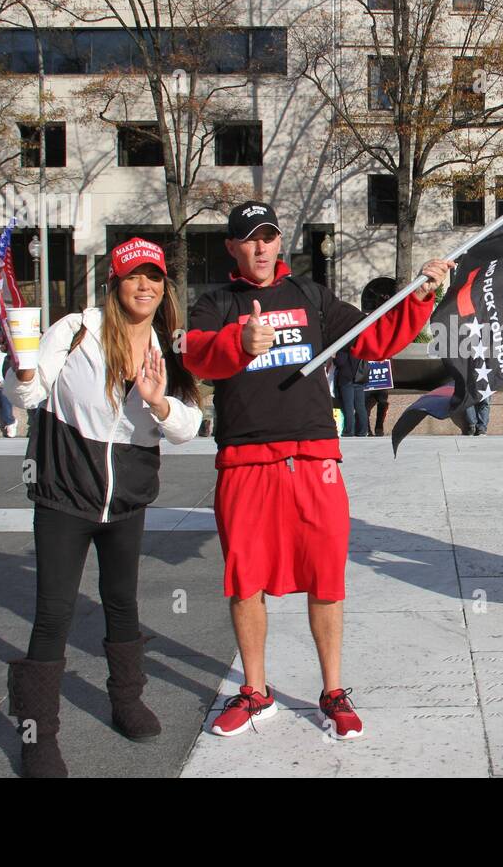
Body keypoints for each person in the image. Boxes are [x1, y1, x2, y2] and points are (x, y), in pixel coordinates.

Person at [182, 200, 452, 741]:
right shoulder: (215, 303)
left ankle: (332, 690)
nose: (260, 247)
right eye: (248, 239)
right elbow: (195, 357)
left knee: (326, 576)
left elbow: (374, 339)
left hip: (313, 457)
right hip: (245, 459)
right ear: (232, 247)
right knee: (245, 580)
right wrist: (238, 341)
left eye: (269, 236)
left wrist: (421, 295)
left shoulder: (311, 295)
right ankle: (256, 692)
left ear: (280, 241)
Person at [5, 238, 202, 778]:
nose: (146, 286)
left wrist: (159, 401)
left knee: (122, 602)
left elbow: (189, 427)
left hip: (128, 499)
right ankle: (38, 736)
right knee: (53, 614)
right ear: (114, 282)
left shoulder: (167, 344)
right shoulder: (74, 332)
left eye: (155, 278)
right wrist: (21, 369)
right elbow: (29, 397)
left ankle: (126, 699)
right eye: (135, 276)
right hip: (65, 493)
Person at [333, 348, 370, 437]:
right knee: (360, 406)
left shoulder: (344, 348)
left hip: (346, 379)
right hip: (359, 378)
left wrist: (334, 357)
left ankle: (349, 431)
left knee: (348, 406)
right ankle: (363, 431)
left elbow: (340, 362)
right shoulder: (360, 348)